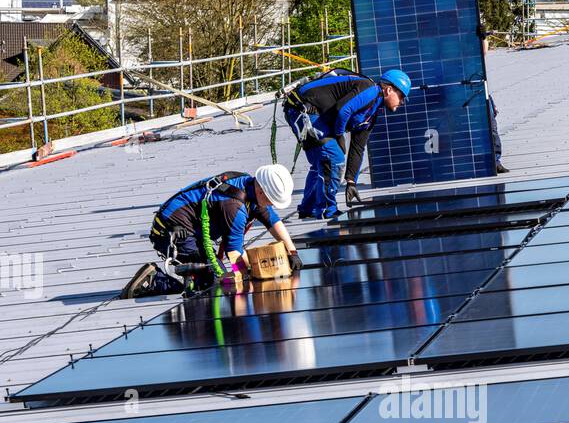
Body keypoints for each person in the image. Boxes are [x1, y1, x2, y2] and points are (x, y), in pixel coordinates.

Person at [120, 164, 300, 298]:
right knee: (215, 281)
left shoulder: (249, 185)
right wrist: (253, 274)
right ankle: (154, 280)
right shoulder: (234, 206)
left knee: (222, 277)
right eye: (271, 200)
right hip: (173, 233)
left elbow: (272, 220)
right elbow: (234, 252)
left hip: (188, 229)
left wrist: (292, 252)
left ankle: (191, 276)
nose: (272, 205)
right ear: (262, 191)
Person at [282, 68, 411, 222]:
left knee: (321, 163)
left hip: (311, 113)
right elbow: (343, 110)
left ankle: (307, 209)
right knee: (333, 157)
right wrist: (339, 135)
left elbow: (358, 148)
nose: (402, 102)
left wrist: (351, 181)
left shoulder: (370, 115)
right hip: (303, 108)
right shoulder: (370, 90)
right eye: (401, 96)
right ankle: (325, 210)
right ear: (389, 90)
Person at [478, 25, 508, 173]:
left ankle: (496, 161)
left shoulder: (469, 29)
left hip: (479, 88)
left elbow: (482, 52)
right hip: (458, 89)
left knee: (492, 126)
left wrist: (483, 37)